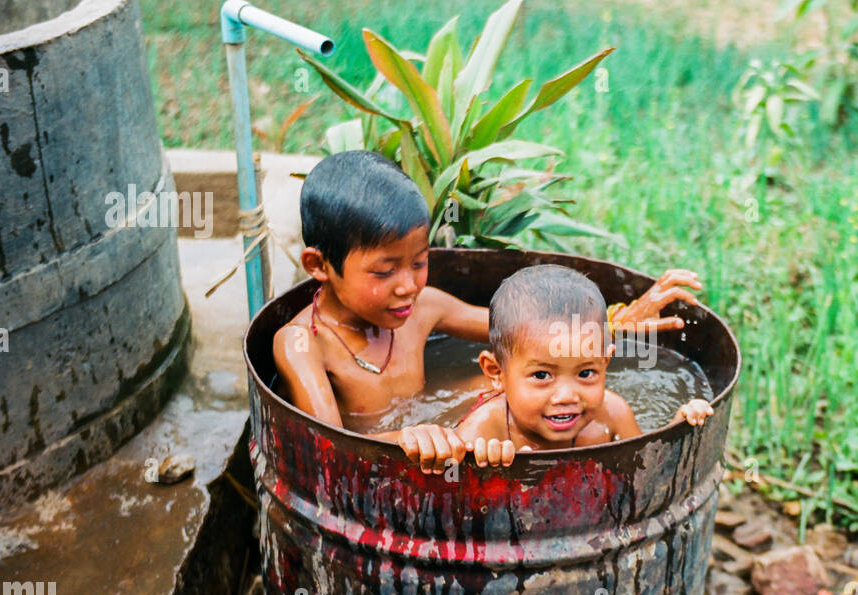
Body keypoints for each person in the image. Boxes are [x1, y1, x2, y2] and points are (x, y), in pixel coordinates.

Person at [272, 150, 701, 461]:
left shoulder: (425, 308)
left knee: (538, 378)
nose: (408, 287)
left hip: (453, 425)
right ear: (319, 265)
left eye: (419, 263)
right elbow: (325, 446)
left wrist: (618, 321)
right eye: (385, 272)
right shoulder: (301, 344)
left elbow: (532, 334)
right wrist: (408, 438)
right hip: (403, 453)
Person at [402, 264, 713, 472]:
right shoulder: (485, 431)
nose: (566, 395)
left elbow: (647, 473)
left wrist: (679, 428)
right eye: (541, 375)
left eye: (586, 373)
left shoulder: (613, 414)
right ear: (496, 373)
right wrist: (484, 472)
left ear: (606, 362)